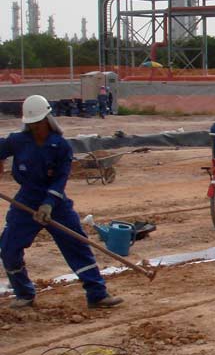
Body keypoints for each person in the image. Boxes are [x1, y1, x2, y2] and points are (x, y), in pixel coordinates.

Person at [0, 95, 123, 309]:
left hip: (56, 203)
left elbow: (60, 179)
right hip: (26, 201)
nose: (36, 128)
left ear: (48, 120)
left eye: (39, 123)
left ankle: (97, 294)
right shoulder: (18, 141)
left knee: (77, 245)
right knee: (9, 248)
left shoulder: (61, 146)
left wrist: (48, 203)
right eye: (32, 125)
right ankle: (24, 293)